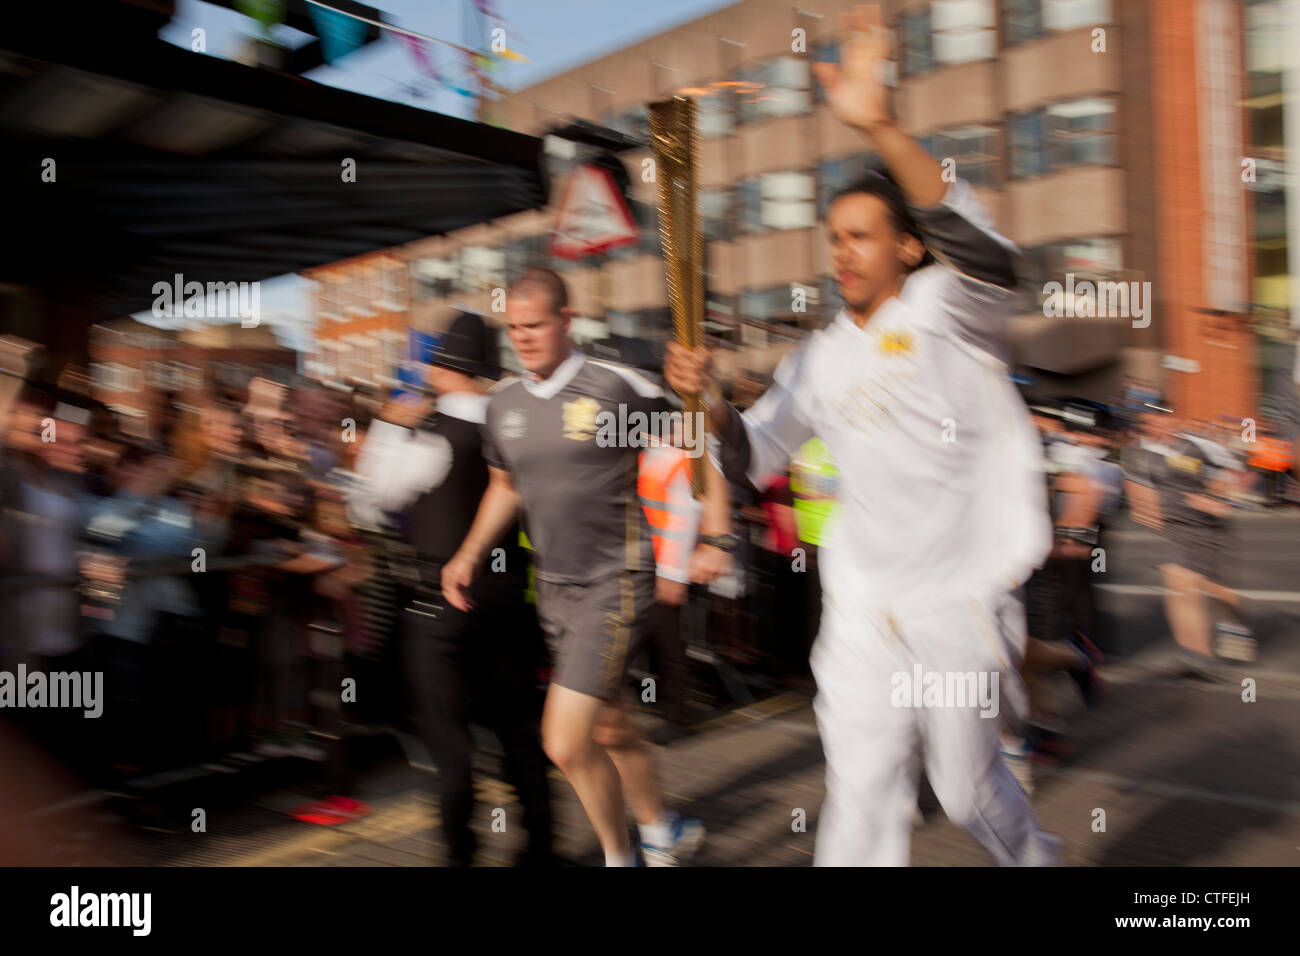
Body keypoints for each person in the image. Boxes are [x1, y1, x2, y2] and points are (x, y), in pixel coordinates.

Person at [665, 4, 1061, 867]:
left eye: (860, 238)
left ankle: (1038, 859)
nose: (841, 254)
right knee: (862, 796)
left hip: (958, 600)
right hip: (862, 611)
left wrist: (879, 121)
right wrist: (714, 403)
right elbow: (751, 455)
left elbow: (992, 258)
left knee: (963, 791)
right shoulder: (816, 360)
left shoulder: (946, 311)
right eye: (833, 239)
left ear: (909, 250)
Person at [442, 270, 732, 866]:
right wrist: (468, 552)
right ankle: (662, 829)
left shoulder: (616, 387)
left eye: (536, 325)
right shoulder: (505, 405)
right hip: (554, 591)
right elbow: (505, 484)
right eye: (514, 328)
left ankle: (619, 856)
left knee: (563, 741)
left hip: (617, 581)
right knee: (608, 728)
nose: (523, 338)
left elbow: (701, 432)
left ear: (566, 320)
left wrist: (716, 534)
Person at [356, 312, 555, 867]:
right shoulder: (514, 426)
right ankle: (540, 845)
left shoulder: (431, 434)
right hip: (510, 597)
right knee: (519, 728)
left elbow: (371, 502)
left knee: (449, 740)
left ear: (444, 370)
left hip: (439, 604)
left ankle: (461, 853)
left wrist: (390, 427)